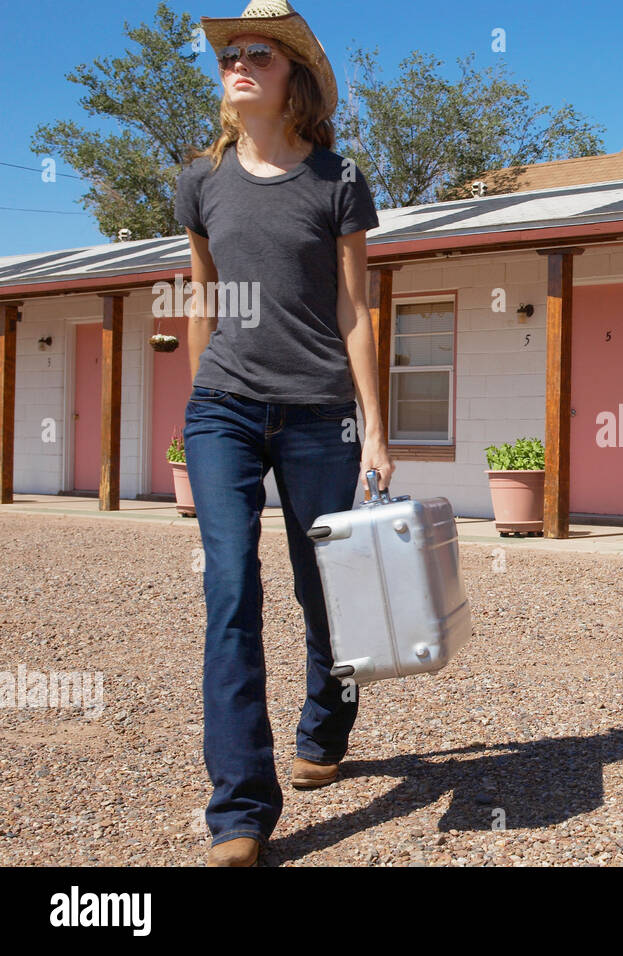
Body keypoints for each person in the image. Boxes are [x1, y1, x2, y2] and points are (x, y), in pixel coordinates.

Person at [174, 0, 391, 866]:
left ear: (291, 76)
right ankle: (239, 811)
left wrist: (374, 427)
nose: (238, 62)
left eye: (257, 52)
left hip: (319, 413)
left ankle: (325, 723)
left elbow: (354, 309)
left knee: (321, 588)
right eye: (231, 51)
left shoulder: (337, 181)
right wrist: (196, 404)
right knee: (228, 590)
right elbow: (204, 296)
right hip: (223, 405)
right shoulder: (200, 182)